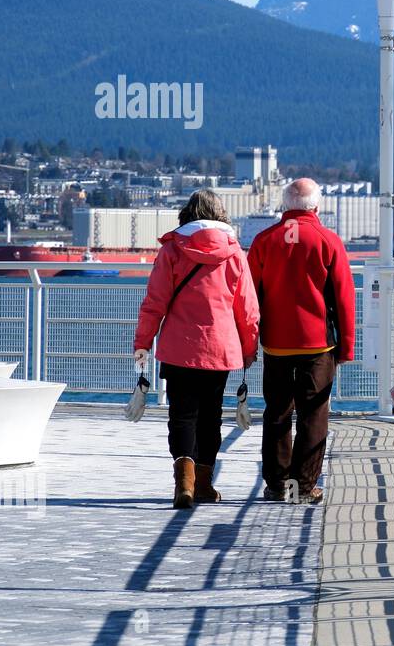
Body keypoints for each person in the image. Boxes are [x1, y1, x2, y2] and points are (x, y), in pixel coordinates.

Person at [133, 189, 259, 509]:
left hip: (179, 348)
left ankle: (184, 485)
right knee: (210, 416)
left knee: (182, 415)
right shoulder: (234, 253)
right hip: (220, 348)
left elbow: (154, 303)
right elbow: (247, 309)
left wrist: (143, 343)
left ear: (188, 212)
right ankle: (203, 484)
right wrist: (249, 349)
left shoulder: (172, 250)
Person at [248, 178, 355, 504]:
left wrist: (249, 342)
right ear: (316, 206)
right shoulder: (328, 240)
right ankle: (303, 487)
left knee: (277, 413)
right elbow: (344, 297)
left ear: (285, 204)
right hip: (317, 344)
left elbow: (249, 297)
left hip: (276, 342)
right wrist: (347, 345)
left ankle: (277, 485)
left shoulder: (264, 240)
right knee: (313, 415)